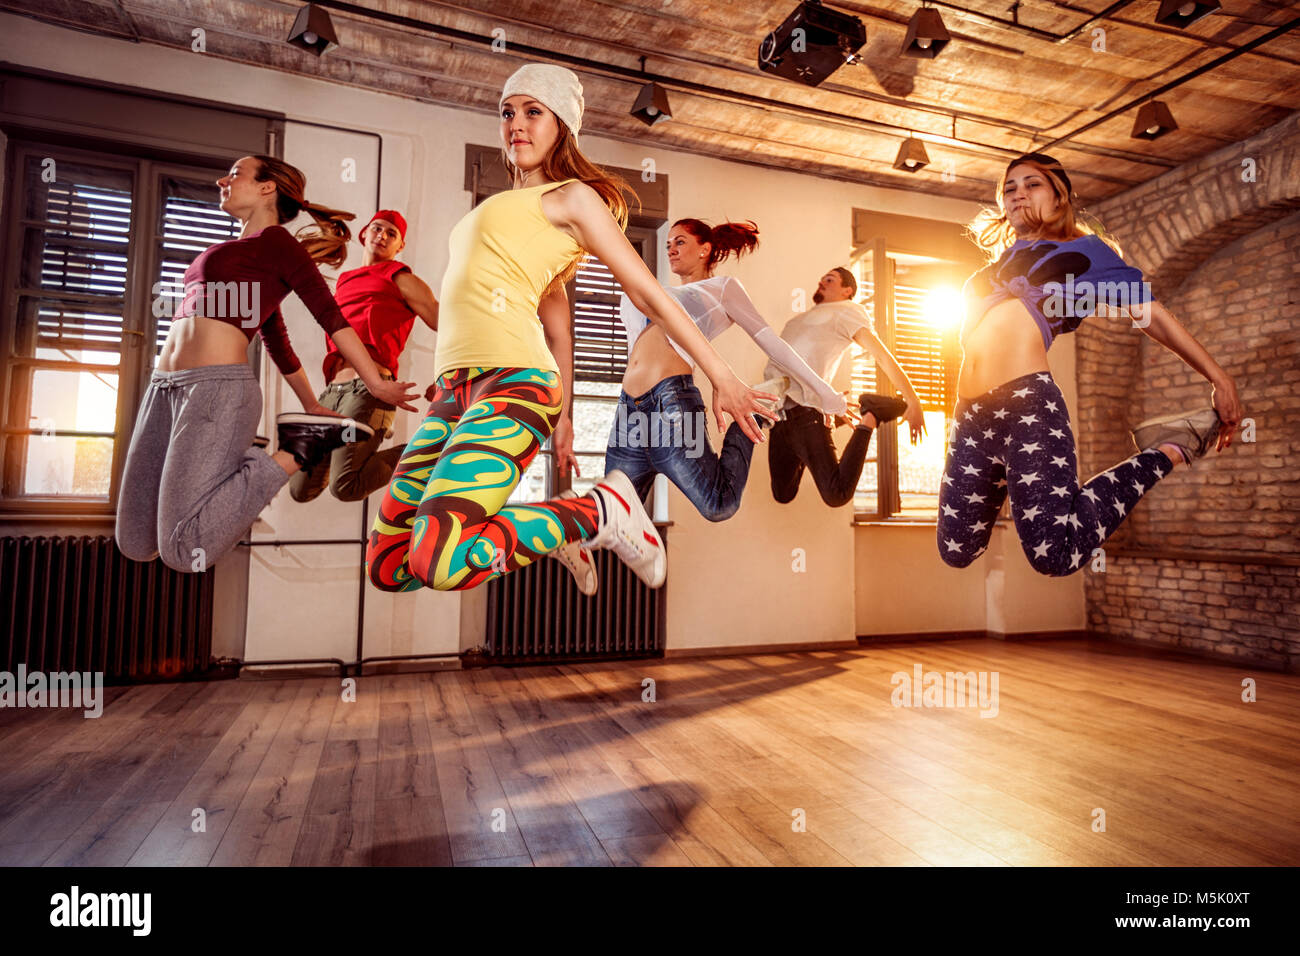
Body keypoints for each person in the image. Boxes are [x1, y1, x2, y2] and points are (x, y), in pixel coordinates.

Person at [365, 64, 773, 594]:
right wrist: (564, 424)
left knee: (442, 562)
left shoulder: (573, 199)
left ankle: (604, 509)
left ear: (562, 126)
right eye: (508, 112)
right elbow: (559, 331)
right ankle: (563, 529)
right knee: (391, 566)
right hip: (453, 390)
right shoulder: (502, 209)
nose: (517, 124)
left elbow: (648, 292)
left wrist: (722, 377)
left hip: (515, 384)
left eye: (534, 112)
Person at [938, 152, 1243, 576]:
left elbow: (1151, 315)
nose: (1018, 194)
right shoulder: (994, 267)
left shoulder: (1084, 253)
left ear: (1060, 197)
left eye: (1032, 184)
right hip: (970, 417)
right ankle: (1022, 478)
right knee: (957, 549)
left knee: (1054, 555)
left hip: (1028, 406)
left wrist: (1219, 377)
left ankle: (1171, 449)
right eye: (1009, 188)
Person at [115, 156, 420, 572]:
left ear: (266, 188)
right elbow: (278, 342)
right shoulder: (234, 252)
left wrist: (376, 384)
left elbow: (331, 317)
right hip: (163, 390)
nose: (223, 179)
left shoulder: (278, 244)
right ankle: (268, 447)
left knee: (185, 553)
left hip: (215, 390)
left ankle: (297, 448)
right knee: (135, 539)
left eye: (236, 173)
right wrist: (312, 404)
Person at [544, 219, 847, 595]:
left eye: (680, 241)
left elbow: (773, 344)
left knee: (718, 504)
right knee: (615, 512)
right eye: (668, 242)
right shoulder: (649, 289)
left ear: (705, 249)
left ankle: (748, 419)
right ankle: (571, 527)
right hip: (630, 412)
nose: (670, 248)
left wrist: (826, 395)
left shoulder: (721, 289)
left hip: (672, 405)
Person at [288, 209, 439, 504]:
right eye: (377, 229)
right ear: (364, 234)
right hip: (332, 392)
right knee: (300, 489)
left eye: (391, 234)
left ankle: (432, 448)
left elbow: (446, 324)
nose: (382, 236)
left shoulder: (401, 278)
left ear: (400, 247)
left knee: (345, 486)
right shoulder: (344, 281)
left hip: (369, 389)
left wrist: (446, 377)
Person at [763, 266, 926, 507]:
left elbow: (881, 356)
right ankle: (840, 417)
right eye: (821, 279)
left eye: (829, 280)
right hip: (779, 416)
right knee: (783, 494)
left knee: (836, 494)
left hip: (807, 414)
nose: (822, 282)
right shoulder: (795, 320)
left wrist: (913, 399)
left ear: (847, 291)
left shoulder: (847, 312)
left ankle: (870, 415)